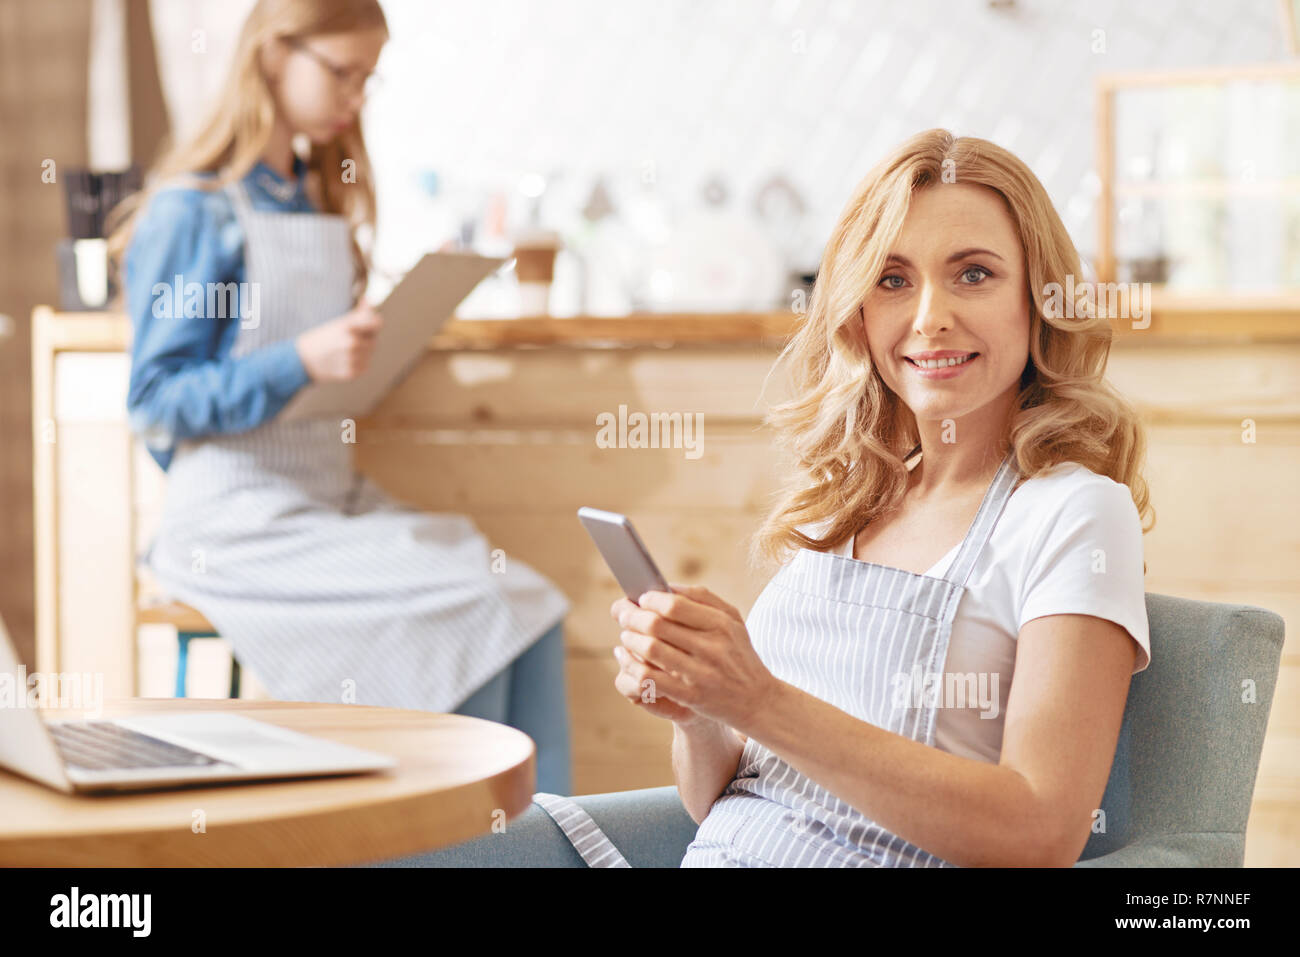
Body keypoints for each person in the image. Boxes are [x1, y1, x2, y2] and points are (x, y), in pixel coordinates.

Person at [406, 127, 1154, 866]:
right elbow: (729, 803)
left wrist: (759, 698)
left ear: (1040, 298)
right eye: (892, 279)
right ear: (859, 311)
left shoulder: (1074, 515)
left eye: (974, 274)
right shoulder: (849, 503)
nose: (929, 315)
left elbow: (1041, 829)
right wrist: (704, 715)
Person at [107, 0, 572, 795]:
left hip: (326, 499)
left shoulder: (314, 199)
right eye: (341, 73)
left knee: (523, 596)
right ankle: (455, 838)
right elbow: (154, 401)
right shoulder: (196, 208)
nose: (355, 98)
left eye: (368, 79)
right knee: (468, 598)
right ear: (271, 54)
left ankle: (544, 836)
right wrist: (298, 360)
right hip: (233, 519)